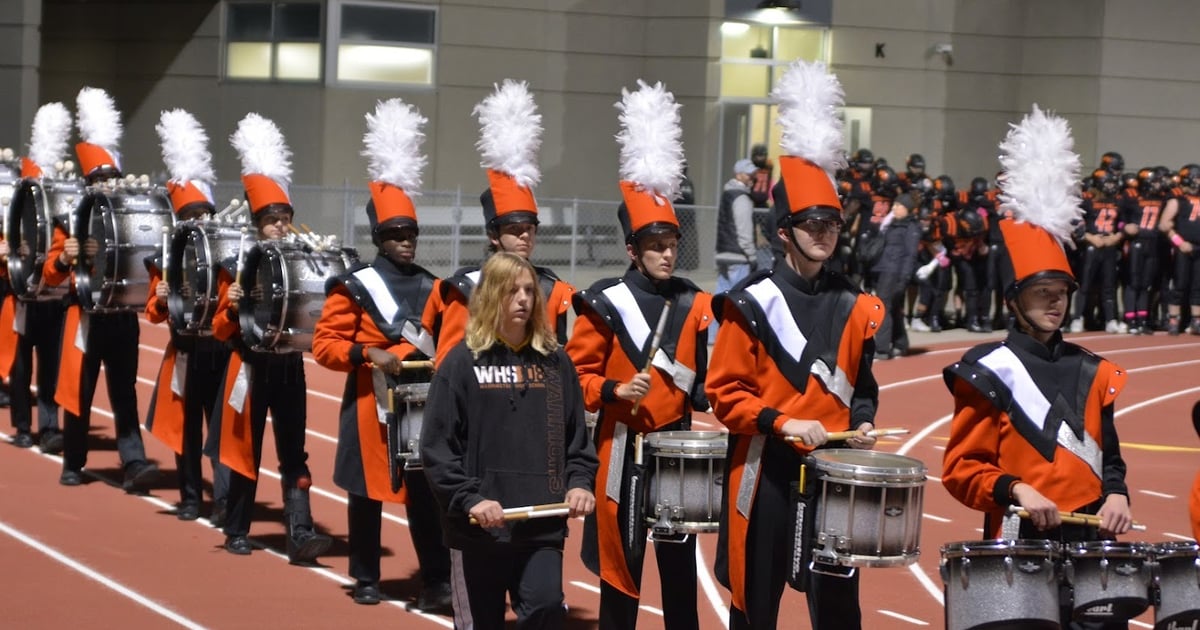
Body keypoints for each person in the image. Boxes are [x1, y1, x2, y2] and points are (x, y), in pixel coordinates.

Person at [706, 60, 883, 630]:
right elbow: (724, 395)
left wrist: (863, 420)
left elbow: (863, 388)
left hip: (833, 471)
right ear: (784, 232)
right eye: (812, 224)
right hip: (767, 469)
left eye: (832, 223)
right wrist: (783, 422)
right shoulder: (752, 302)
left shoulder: (858, 306)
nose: (825, 234)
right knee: (756, 606)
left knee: (838, 612)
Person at [941, 106, 1133, 629]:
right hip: (1017, 544)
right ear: (1013, 300)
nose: (1054, 303)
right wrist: (1018, 490)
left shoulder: (1095, 370)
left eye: (1061, 293)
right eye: (1041, 293)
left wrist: (1116, 493)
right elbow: (961, 471)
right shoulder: (987, 369)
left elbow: (1108, 457)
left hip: (1093, 546)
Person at [566, 80, 712, 630]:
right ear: (633, 249)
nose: (668, 253)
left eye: (672, 243)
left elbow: (704, 381)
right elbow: (575, 376)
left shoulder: (695, 302)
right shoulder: (604, 301)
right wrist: (614, 390)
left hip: (677, 450)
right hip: (621, 448)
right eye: (655, 245)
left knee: (679, 577)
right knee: (621, 576)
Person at [312, 98, 451, 609]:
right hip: (373, 404)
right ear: (379, 237)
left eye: (411, 233)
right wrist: (369, 354)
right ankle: (367, 576)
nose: (406, 241)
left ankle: (435, 578)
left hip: (426, 402)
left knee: (427, 495)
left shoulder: (434, 286)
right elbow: (325, 346)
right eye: (396, 234)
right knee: (366, 492)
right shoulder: (353, 286)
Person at [421, 251, 598, 630]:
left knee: (546, 608)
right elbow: (437, 449)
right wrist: (471, 498)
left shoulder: (555, 363)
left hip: (542, 525)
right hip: (479, 529)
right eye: (511, 290)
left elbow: (577, 442)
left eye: (529, 290)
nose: (523, 299)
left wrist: (580, 484)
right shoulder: (462, 362)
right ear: (489, 297)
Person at [208, 113, 331, 563]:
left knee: (295, 452)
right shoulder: (235, 263)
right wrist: (232, 301)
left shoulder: (302, 260)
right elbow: (221, 331)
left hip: (289, 366)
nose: (280, 225)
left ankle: (300, 531)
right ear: (257, 221)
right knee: (247, 448)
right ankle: (237, 526)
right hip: (250, 366)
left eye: (284, 217)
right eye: (272, 218)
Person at [45, 87, 158, 490]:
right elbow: (49, 276)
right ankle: (73, 461)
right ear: (88, 183)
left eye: (112, 177)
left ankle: (134, 462)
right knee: (80, 391)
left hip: (122, 318)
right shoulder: (70, 221)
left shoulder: (132, 218)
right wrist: (65, 257)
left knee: (124, 395)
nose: (108, 184)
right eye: (100, 178)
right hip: (85, 319)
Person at [435, 80, 574, 367]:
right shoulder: (466, 287)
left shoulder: (552, 288)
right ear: (493, 235)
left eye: (530, 229)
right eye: (514, 230)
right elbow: (449, 361)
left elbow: (558, 356)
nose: (525, 236)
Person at [144, 109, 232, 524]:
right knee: (187, 429)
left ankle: (226, 501)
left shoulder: (227, 255)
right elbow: (154, 313)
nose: (198, 222)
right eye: (190, 216)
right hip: (184, 350)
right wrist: (161, 298)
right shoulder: (167, 258)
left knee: (220, 429)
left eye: (203, 214)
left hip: (218, 349)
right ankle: (191, 496)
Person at [3, 104, 69, 453]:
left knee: (50, 367)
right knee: (20, 364)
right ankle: (23, 426)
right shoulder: (13, 210)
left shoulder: (59, 215)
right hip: (22, 297)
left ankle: (49, 425)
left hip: (53, 300)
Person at [711, 157, 758, 342]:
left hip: (724, 254)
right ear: (738, 174)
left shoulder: (727, 194)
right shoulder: (742, 198)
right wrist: (752, 256)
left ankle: (713, 338)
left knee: (720, 299)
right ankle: (735, 340)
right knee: (738, 301)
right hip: (739, 256)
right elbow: (744, 231)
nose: (752, 179)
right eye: (749, 175)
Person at [872, 192, 921, 359]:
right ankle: (901, 343)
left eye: (898, 206)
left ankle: (882, 348)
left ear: (907, 209)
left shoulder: (911, 227)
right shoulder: (892, 223)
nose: (894, 208)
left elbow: (910, 255)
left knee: (883, 307)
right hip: (884, 268)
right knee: (892, 308)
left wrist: (904, 277)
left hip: (895, 272)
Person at [1157, 164, 1200, 335]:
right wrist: (1179, 242)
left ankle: (1196, 320)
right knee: (1180, 284)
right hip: (1183, 246)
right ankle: (1173, 318)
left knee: (1198, 285)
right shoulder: (1178, 199)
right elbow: (1164, 224)